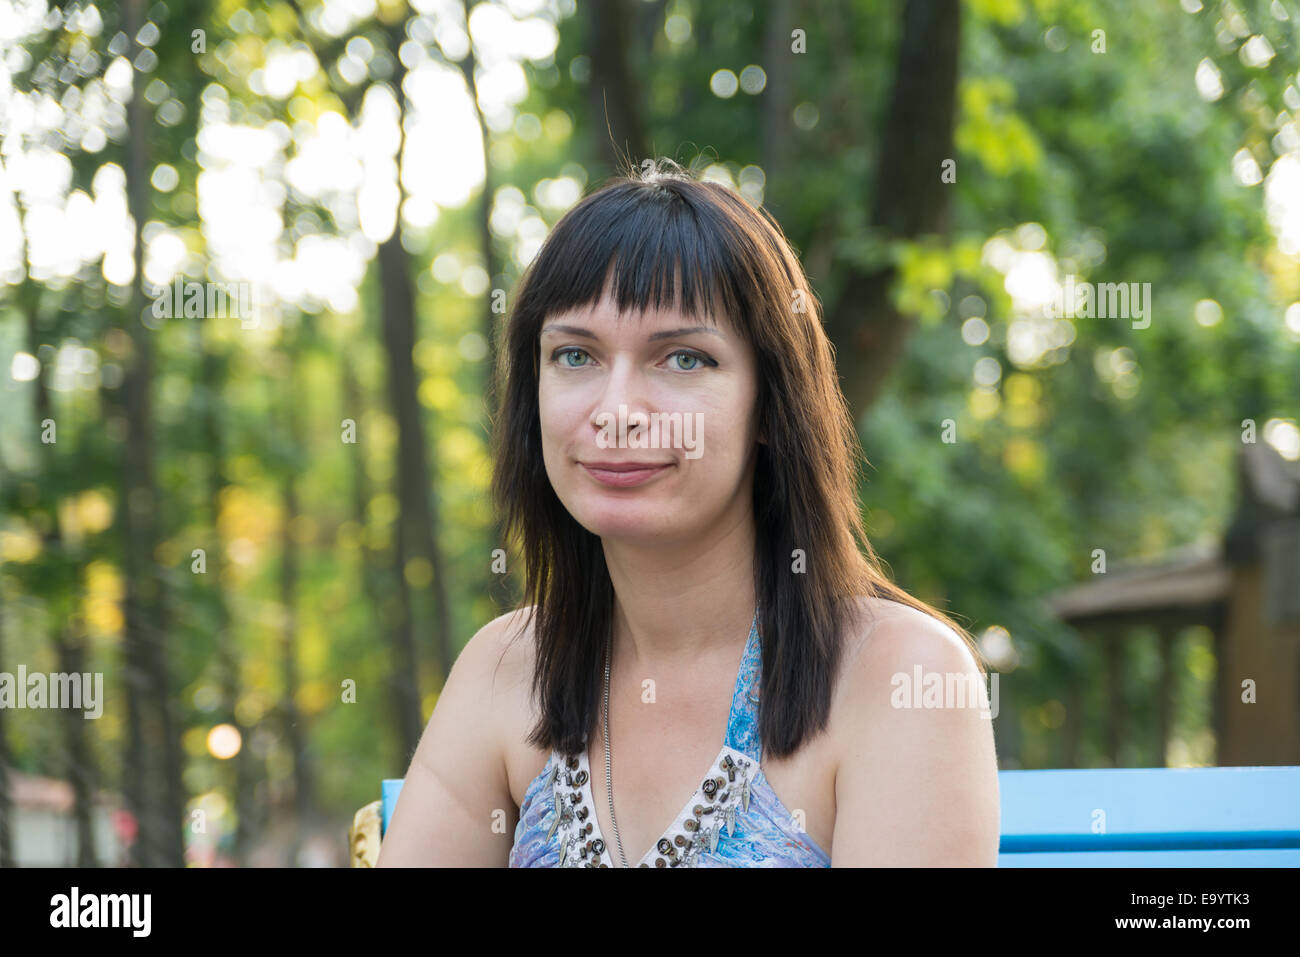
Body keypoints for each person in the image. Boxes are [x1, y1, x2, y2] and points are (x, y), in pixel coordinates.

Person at [378, 159, 999, 867]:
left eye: (682, 359)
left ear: (769, 403)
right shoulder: (505, 669)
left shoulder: (900, 676)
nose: (616, 412)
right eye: (575, 354)